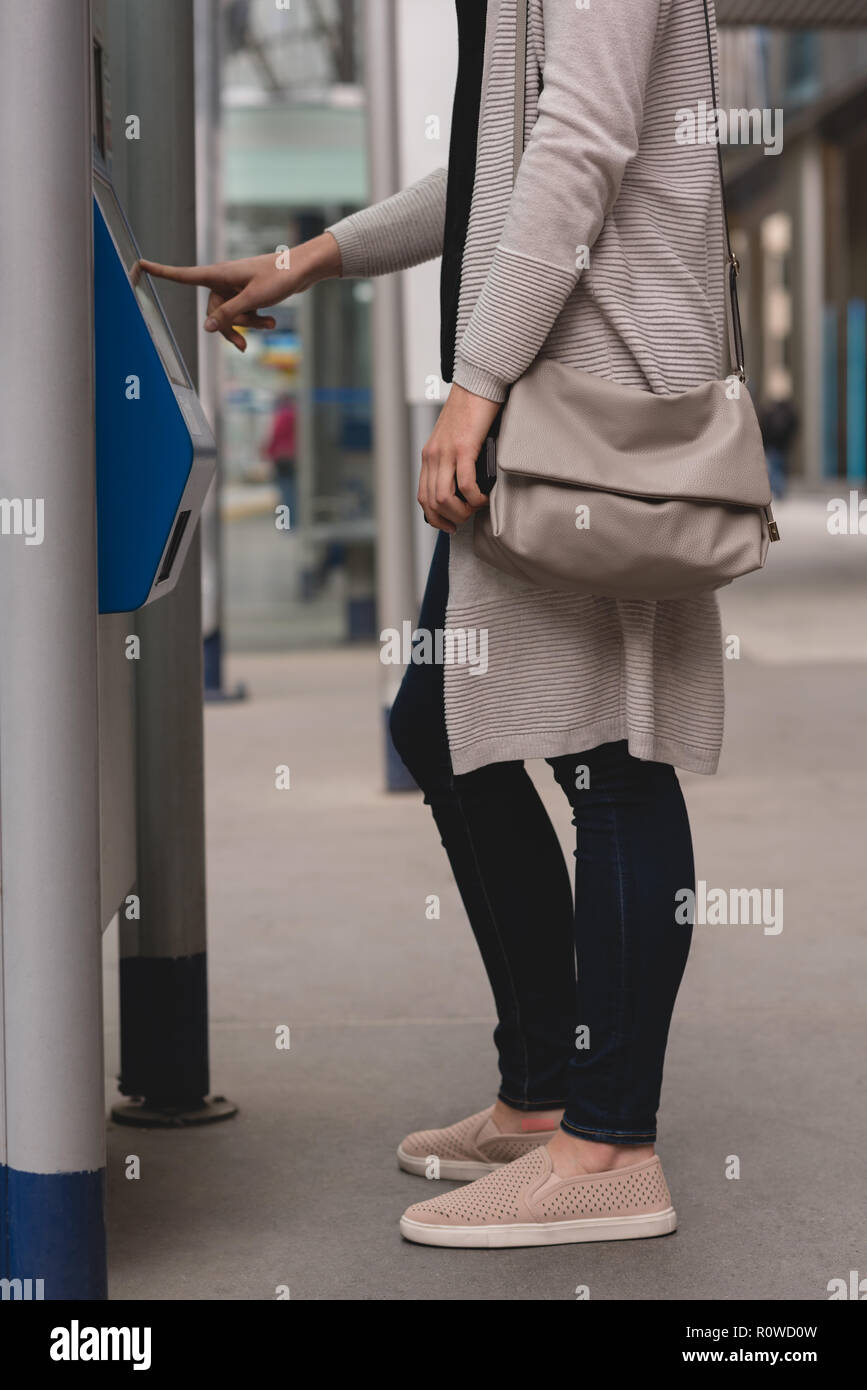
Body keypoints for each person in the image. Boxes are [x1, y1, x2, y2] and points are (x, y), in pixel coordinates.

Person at [141, 0, 732, 1250]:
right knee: (439, 716)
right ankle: (547, 1092)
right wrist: (311, 258)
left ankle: (613, 1142)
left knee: (615, 755)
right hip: (548, 385)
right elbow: (493, 167)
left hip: (598, 394)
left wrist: (475, 383)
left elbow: (583, 141)